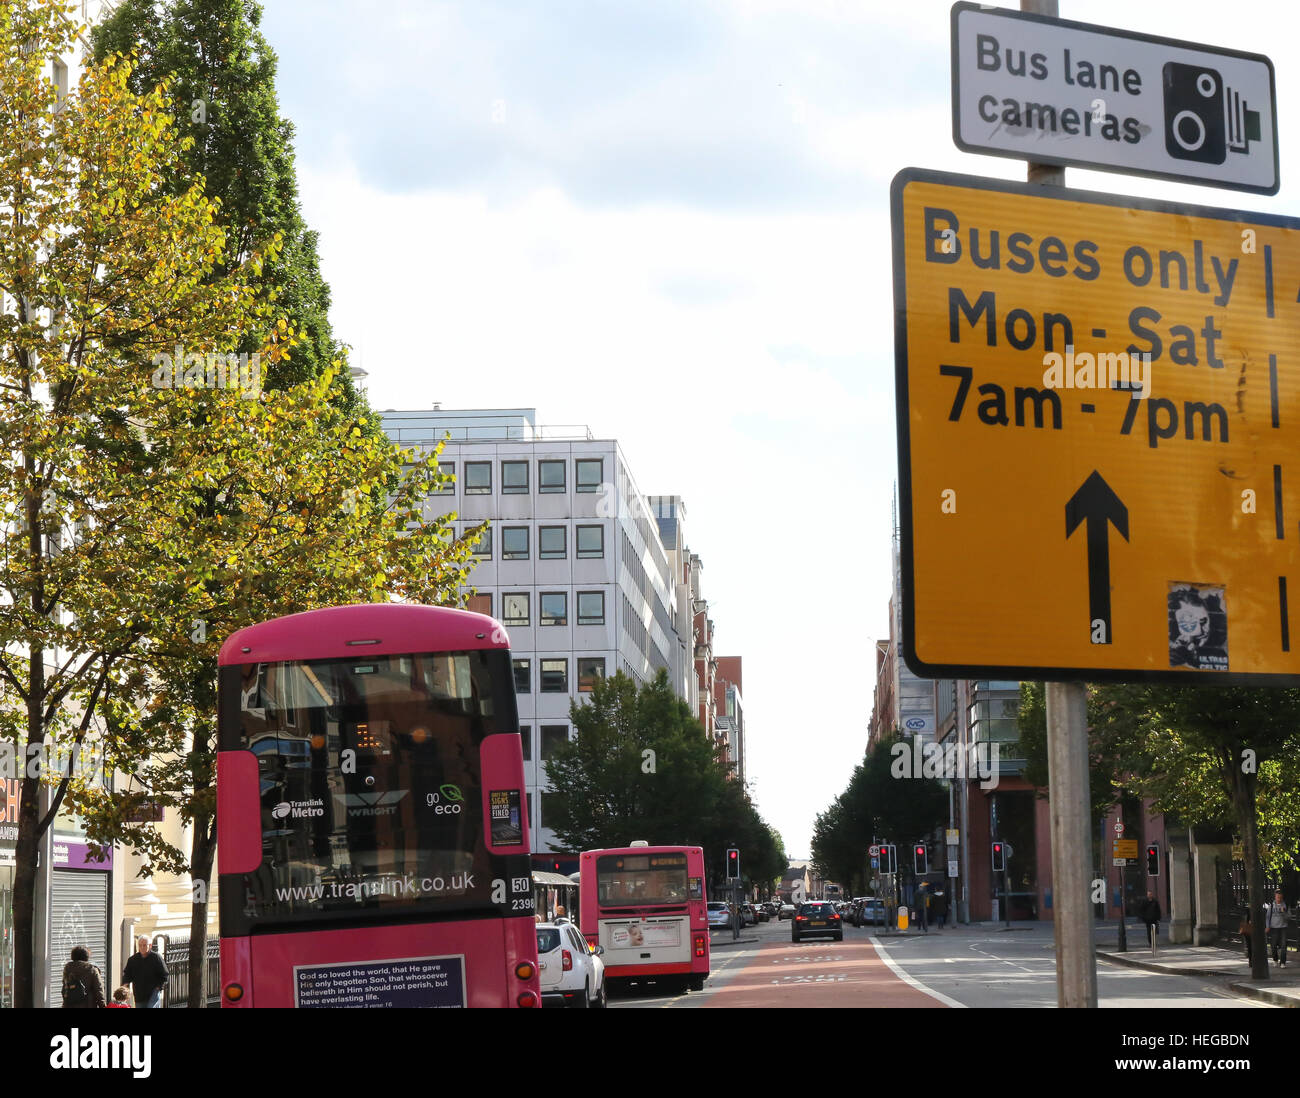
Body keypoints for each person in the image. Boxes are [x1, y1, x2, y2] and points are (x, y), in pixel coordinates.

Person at [123, 935, 168, 1008]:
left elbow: (164, 974)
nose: (142, 947)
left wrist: (159, 987)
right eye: (140, 945)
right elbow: (127, 974)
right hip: (139, 994)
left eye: (144, 945)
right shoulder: (133, 960)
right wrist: (125, 985)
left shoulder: (156, 958)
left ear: (150, 946)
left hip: (153, 992)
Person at [1265, 891, 1289, 966]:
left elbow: (1289, 917)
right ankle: (1275, 960)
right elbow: (1268, 917)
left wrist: (1283, 912)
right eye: (1278, 897)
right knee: (1273, 945)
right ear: (1275, 897)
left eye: (1280, 897)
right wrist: (1267, 926)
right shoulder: (1271, 905)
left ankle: (1283, 962)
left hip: (1283, 928)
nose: (1279, 899)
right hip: (1274, 928)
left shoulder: (1285, 905)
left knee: (1283, 945)